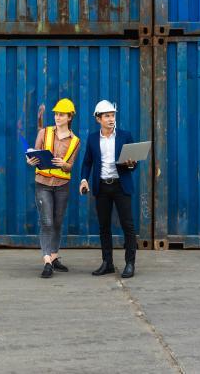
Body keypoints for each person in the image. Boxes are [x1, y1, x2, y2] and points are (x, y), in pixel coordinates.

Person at [78, 100, 138, 278]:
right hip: (102, 187)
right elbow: (87, 162)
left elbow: (134, 165)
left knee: (128, 225)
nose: (111, 119)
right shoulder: (92, 138)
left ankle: (130, 263)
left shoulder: (125, 136)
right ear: (98, 119)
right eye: (107, 116)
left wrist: (131, 163)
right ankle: (107, 263)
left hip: (121, 185)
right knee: (104, 227)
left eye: (113, 115)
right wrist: (83, 180)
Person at [25, 98, 81, 279]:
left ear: (69, 117)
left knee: (57, 222)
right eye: (56, 114)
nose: (57, 117)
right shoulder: (44, 132)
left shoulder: (75, 141)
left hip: (62, 186)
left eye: (62, 115)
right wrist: (30, 160)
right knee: (47, 222)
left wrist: (64, 165)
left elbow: (70, 167)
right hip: (43, 184)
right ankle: (47, 261)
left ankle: (54, 256)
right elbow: (34, 154)